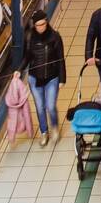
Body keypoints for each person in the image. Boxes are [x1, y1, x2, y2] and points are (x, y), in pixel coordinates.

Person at [16, 10, 66, 146]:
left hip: (52, 77)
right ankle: (44, 132)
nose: (41, 27)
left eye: (43, 24)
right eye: (38, 25)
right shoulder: (30, 37)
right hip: (34, 78)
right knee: (39, 107)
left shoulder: (55, 37)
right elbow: (27, 56)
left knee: (50, 106)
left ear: (47, 22)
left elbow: (61, 58)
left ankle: (54, 127)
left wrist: (62, 79)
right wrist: (19, 70)